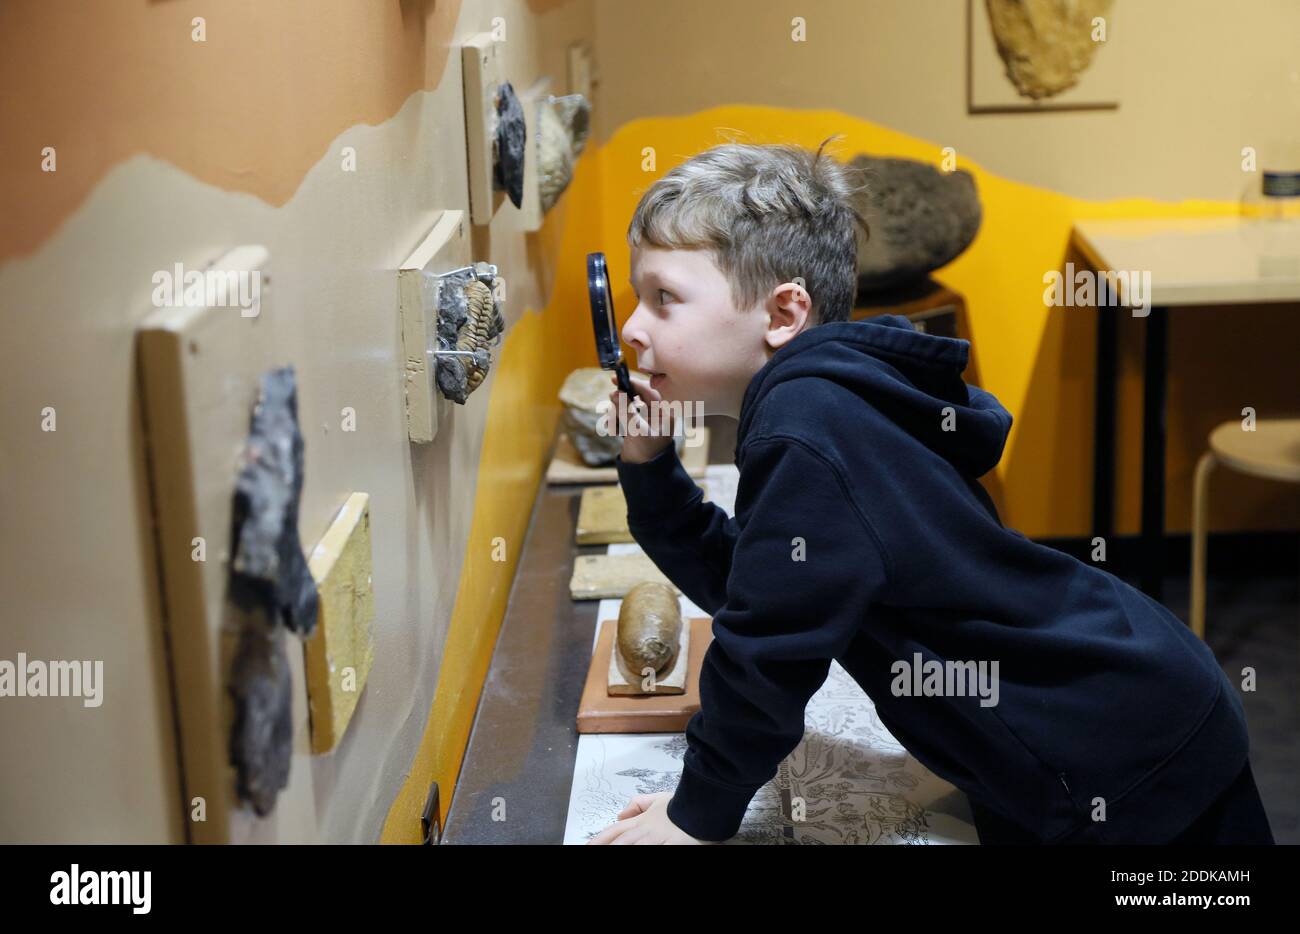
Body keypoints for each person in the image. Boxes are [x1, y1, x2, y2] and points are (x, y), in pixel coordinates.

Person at [586, 138, 1272, 846]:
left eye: (664, 298)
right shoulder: (828, 399)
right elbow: (759, 590)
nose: (634, 329)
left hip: (1117, 754)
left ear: (784, 314)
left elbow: (766, 654)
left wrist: (695, 815)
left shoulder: (805, 430)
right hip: (1117, 705)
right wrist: (649, 465)